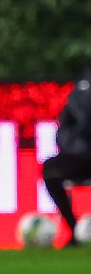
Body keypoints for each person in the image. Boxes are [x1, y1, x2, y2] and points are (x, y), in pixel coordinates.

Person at [43, 69, 91, 246]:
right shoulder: (79, 91)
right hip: (79, 156)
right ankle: (74, 229)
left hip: (81, 154)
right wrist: (71, 147)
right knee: (51, 170)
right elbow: (64, 128)